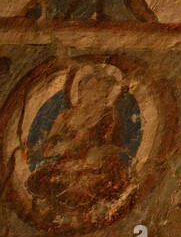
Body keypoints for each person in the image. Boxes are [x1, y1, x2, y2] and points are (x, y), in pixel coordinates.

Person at [26, 64, 130, 211]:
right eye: (91, 88)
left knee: (108, 182)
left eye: (103, 90)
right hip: (67, 165)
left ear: (108, 93)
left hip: (96, 166)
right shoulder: (64, 117)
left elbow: (116, 148)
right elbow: (46, 150)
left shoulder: (109, 116)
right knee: (42, 180)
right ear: (80, 89)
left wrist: (98, 153)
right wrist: (61, 147)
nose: (96, 94)